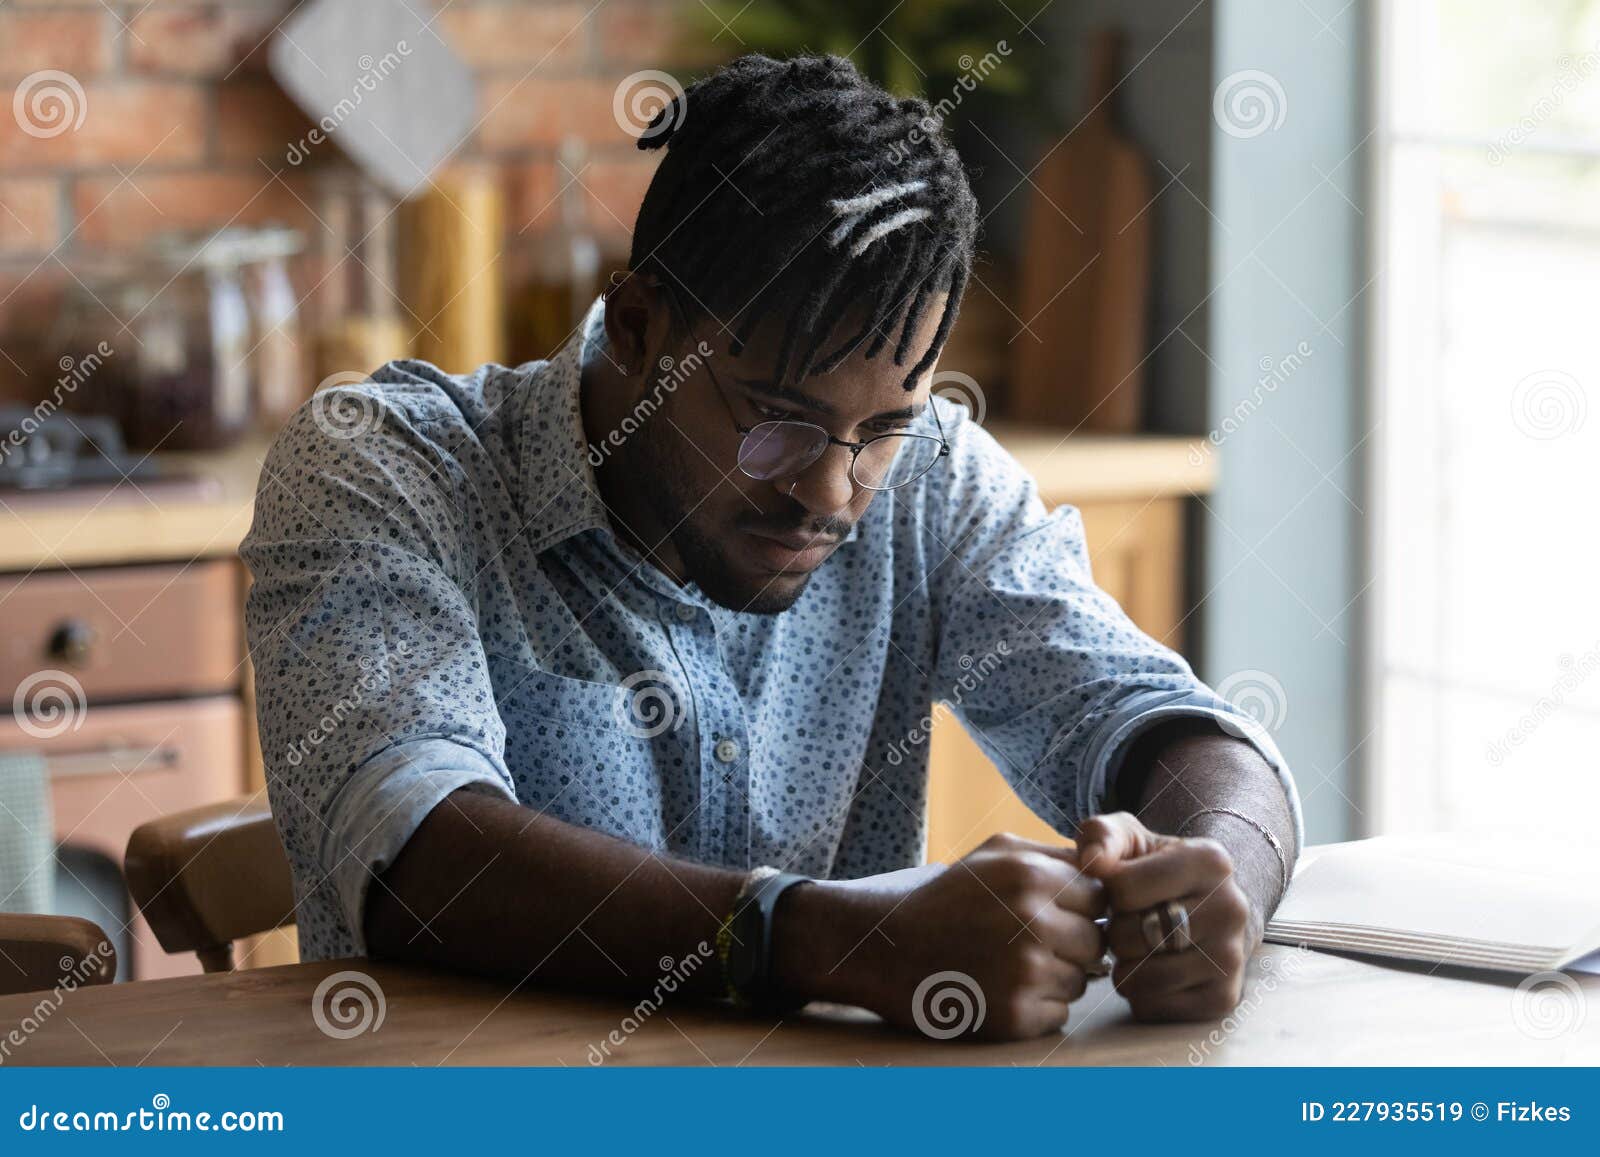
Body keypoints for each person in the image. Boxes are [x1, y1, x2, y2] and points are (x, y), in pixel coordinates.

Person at [242, 53, 1300, 1041]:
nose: (829, 493)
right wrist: (844, 941)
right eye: (777, 422)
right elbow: (419, 856)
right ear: (637, 326)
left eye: (884, 428)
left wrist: (1219, 875)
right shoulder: (381, 470)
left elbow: (1160, 717)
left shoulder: (930, 481)